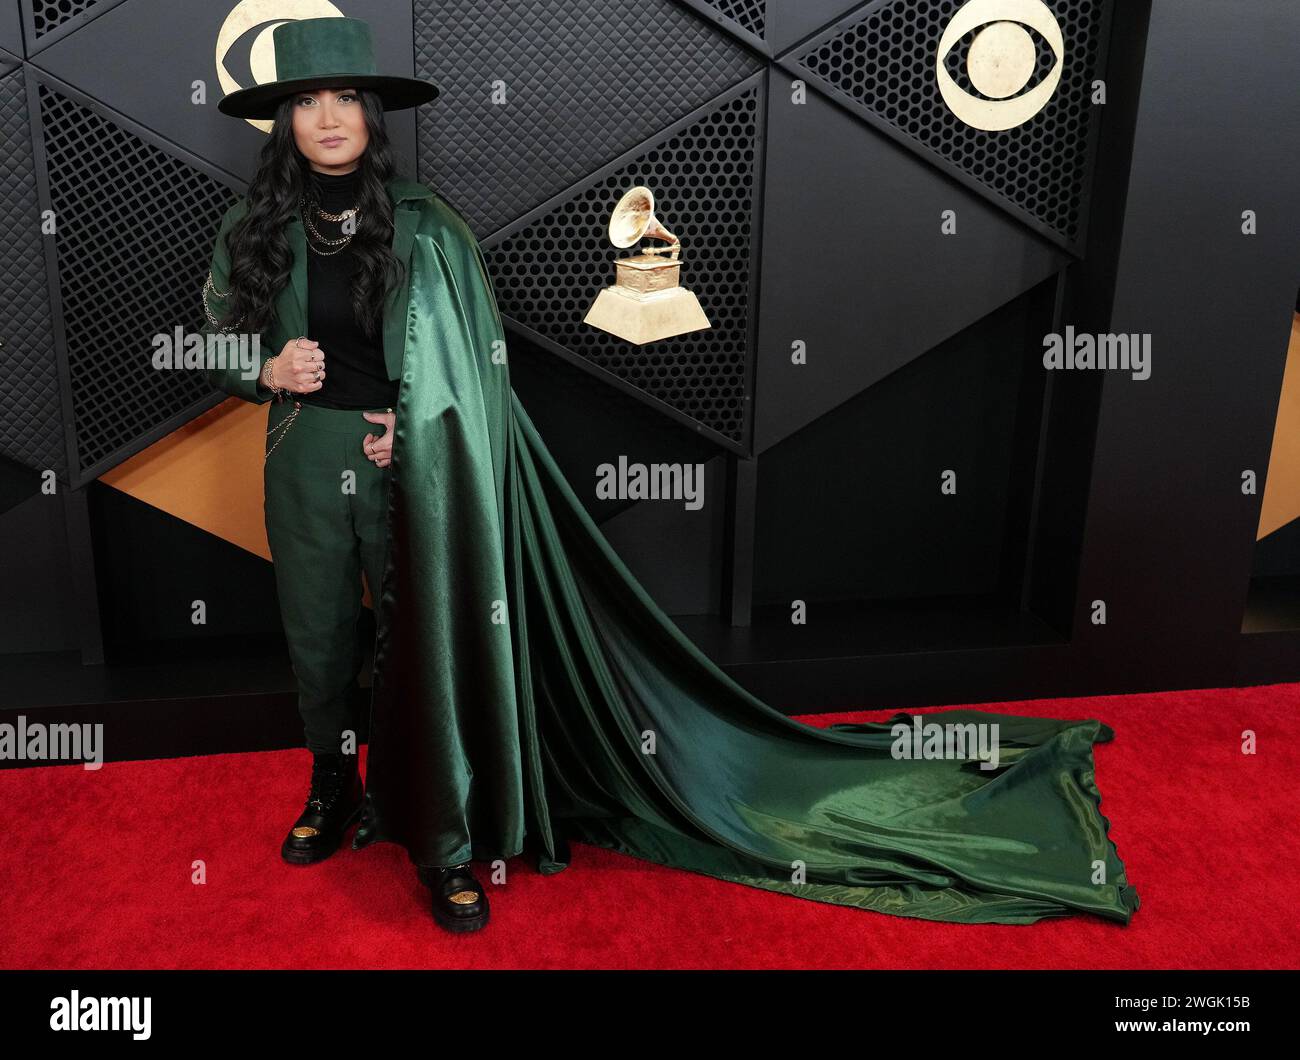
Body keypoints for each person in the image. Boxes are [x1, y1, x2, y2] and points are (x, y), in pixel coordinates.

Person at [203, 16, 1139, 935]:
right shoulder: (253, 227)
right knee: (321, 641)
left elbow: (481, 369)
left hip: (420, 466)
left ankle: (444, 840)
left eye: (346, 99)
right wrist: (265, 370)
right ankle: (334, 789)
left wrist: (421, 429)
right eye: (307, 102)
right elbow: (209, 343)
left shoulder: (429, 227)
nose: (328, 118)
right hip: (306, 458)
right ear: (284, 121)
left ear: (373, 114)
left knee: (432, 643)